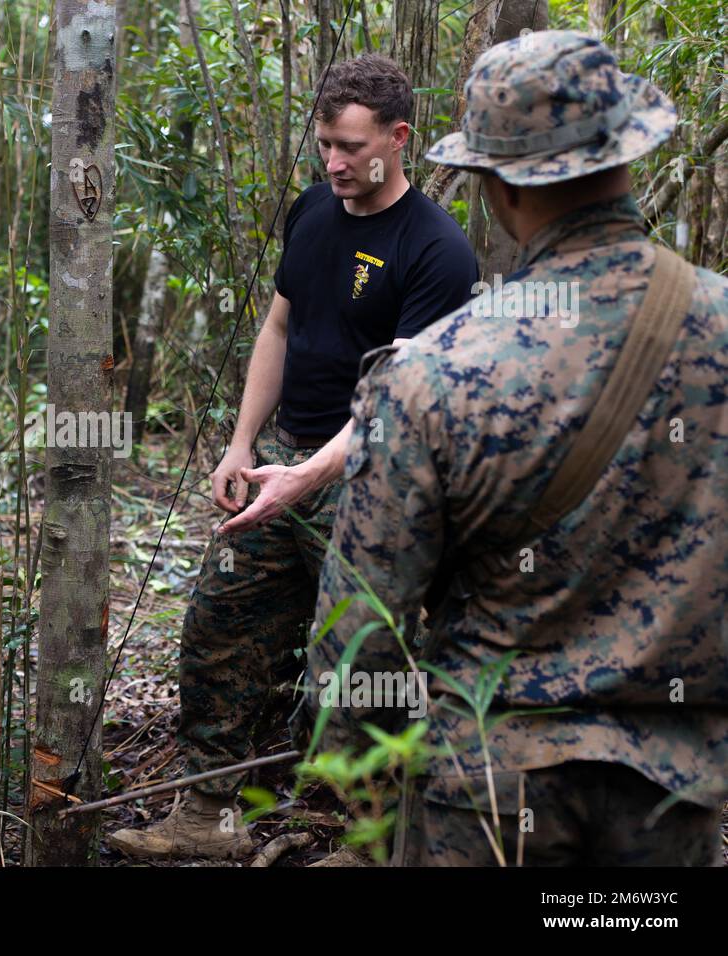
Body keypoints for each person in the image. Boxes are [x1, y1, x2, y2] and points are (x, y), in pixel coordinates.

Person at [311, 30, 727, 866]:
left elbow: (362, 627)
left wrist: (366, 785)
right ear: (629, 156)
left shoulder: (431, 371)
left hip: (490, 794)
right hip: (676, 789)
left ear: (497, 186)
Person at [110, 55, 477, 859]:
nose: (335, 164)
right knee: (220, 625)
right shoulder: (313, 209)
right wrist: (243, 445)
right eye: (324, 146)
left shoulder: (438, 251)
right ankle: (209, 817)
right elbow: (280, 329)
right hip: (282, 460)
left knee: (364, 660)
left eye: (350, 147)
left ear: (399, 137)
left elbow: (398, 399)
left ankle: (375, 841)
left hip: (379, 480)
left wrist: (308, 477)